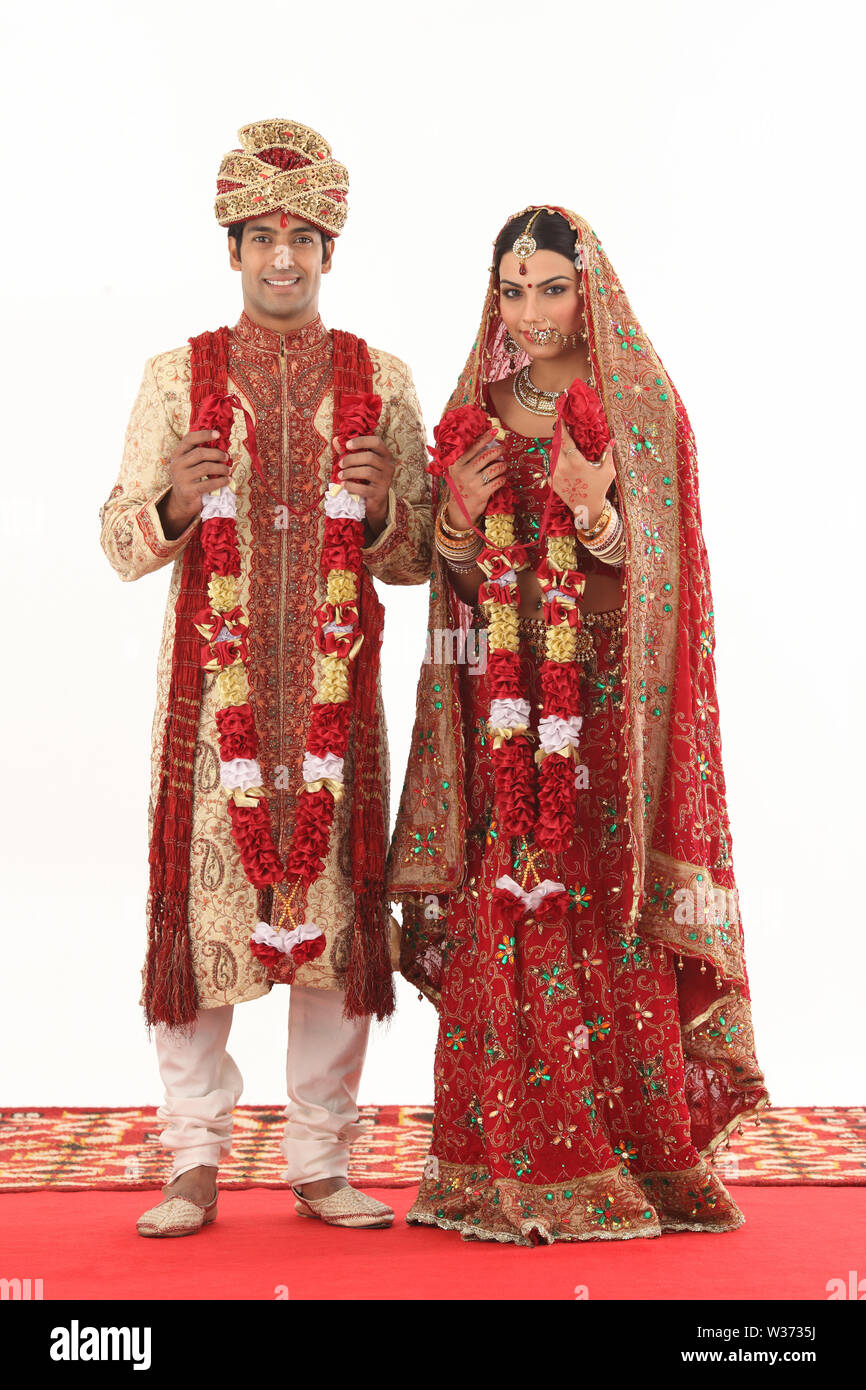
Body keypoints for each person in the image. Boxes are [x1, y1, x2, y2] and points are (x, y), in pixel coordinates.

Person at [386, 206, 770, 1245]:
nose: (530, 309)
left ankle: (629, 1157)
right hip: (495, 701)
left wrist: (593, 510)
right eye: (511, 289)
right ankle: (489, 1164)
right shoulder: (473, 404)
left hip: (603, 711)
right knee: (502, 898)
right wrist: (457, 535)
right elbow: (454, 588)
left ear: (585, 289)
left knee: (595, 901)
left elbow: (660, 576)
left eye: (549, 286)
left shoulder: (638, 410)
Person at [100, 118, 433, 1236]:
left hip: (336, 698)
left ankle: (318, 1156)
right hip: (216, 708)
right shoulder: (174, 376)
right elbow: (116, 539)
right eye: (261, 236)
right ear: (231, 247)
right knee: (200, 925)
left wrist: (387, 502)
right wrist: (177, 506)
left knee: (335, 928)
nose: (282, 256)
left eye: (302, 236)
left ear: (330, 249)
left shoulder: (378, 379)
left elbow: (414, 558)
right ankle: (192, 1154)